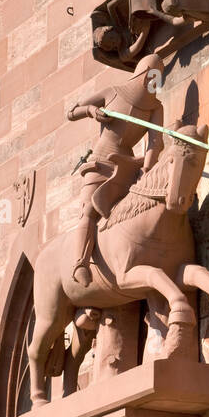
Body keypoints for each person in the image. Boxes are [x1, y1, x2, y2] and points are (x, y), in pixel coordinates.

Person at [65, 54, 166, 286]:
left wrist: (148, 168)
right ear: (142, 73)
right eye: (151, 75)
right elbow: (72, 112)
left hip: (129, 164)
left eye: (157, 78)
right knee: (89, 210)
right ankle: (80, 263)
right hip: (102, 159)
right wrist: (91, 111)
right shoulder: (113, 92)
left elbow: (155, 143)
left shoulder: (155, 108)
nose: (152, 82)